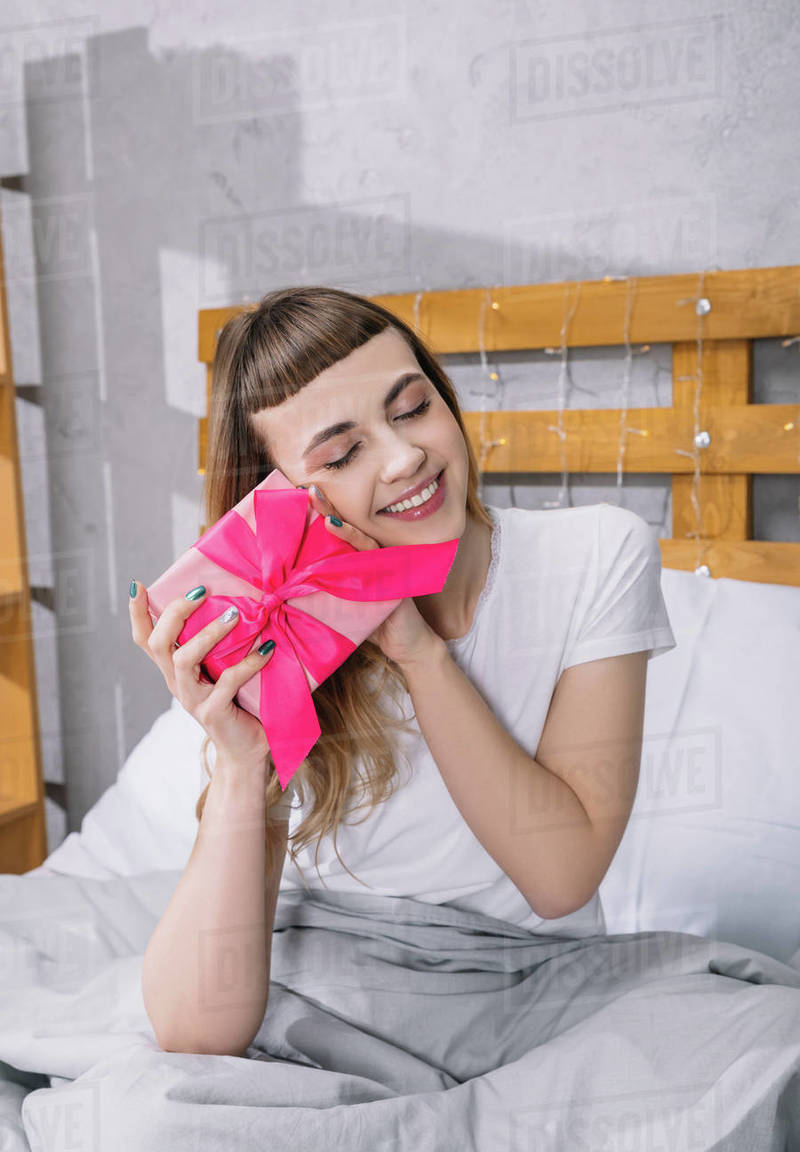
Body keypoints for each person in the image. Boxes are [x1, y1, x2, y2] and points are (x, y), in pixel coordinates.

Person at [127, 284, 676, 1057]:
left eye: (413, 408)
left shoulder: (596, 556)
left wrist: (414, 647)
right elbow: (194, 1032)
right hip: (334, 1002)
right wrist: (243, 761)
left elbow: (561, 878)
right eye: (344, 454)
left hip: (538, 995)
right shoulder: (282, 647)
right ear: (276, 499)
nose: (406, 457)